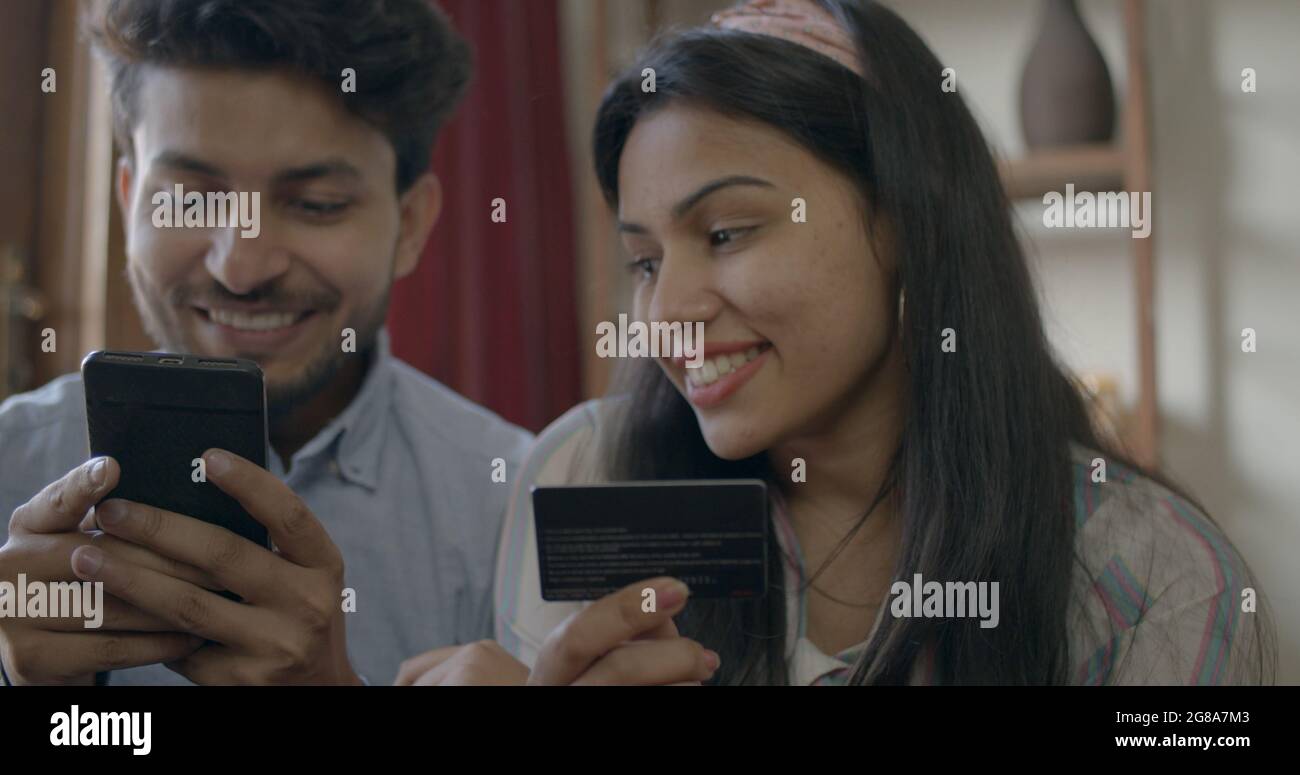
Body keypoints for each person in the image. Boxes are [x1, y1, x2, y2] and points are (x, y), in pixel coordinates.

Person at [400, 0, 1274, 685]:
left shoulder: (1151, 582)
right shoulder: (582, 472)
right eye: (643, 261)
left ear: (904, 221)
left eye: (729, 232)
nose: (665, 316)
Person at [0, 0, 532, 686]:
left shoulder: (516, 506)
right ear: (129, 198)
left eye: (315, 205)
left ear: (411, 224)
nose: (241, 267)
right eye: (191, 199)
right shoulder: (11, 461)